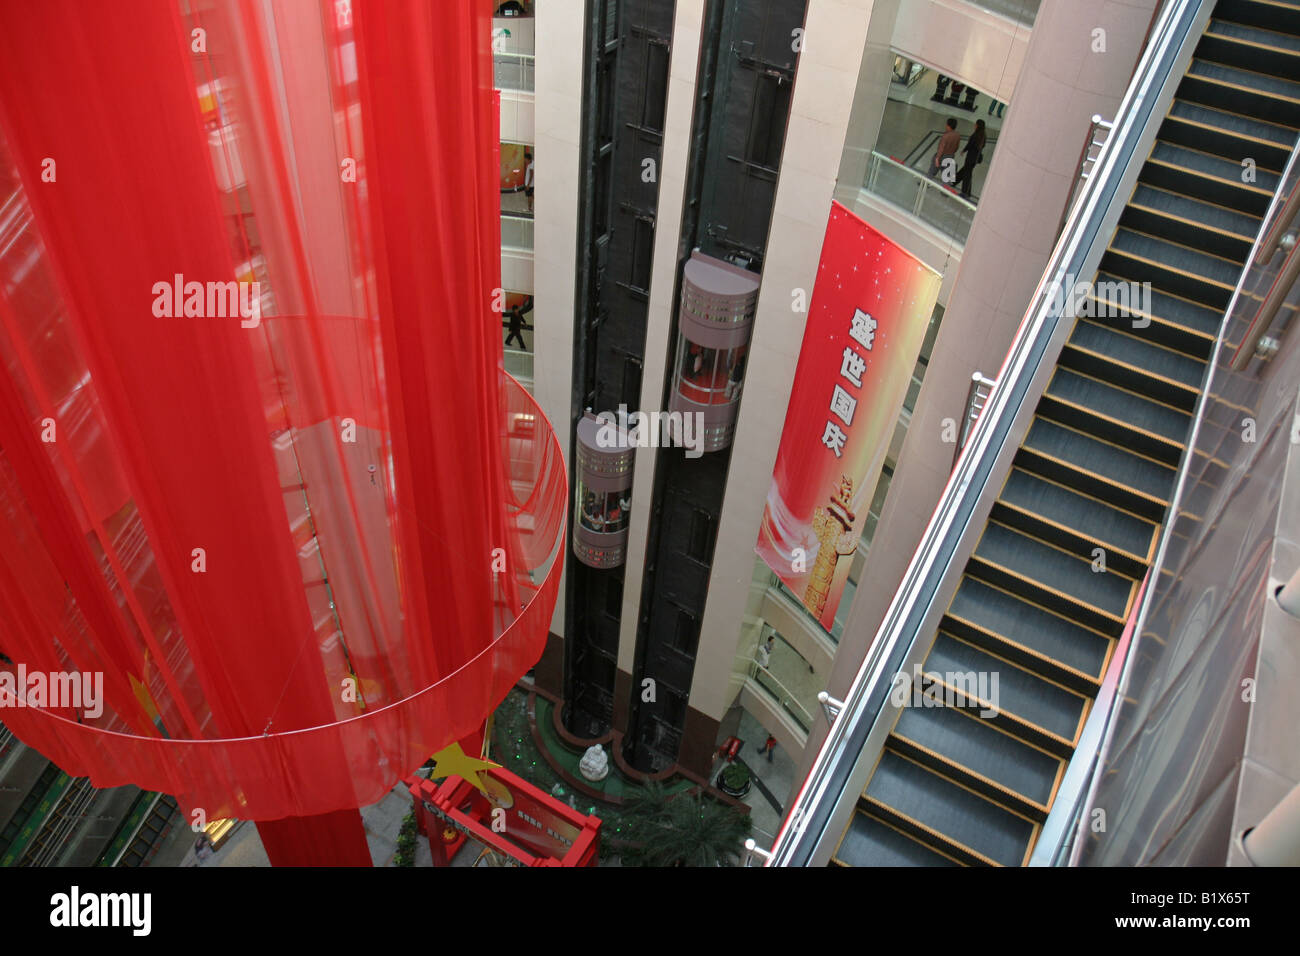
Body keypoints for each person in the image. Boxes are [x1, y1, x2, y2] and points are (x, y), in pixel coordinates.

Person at [957, 119, 986, 200]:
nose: (974, 125)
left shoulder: (975, 135)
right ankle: (955, 181)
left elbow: (970, 144)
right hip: (975, 159)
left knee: (967, 175)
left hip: (970, 158)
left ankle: (965, 193)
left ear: (977, 126)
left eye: (975, 124)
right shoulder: (983, 135)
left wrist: (964, 150)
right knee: (966, 171)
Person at [523, 149, 534, 214]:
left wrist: (528, 185)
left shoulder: (531, 165)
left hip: (530, 185)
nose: (525, 161)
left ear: (528, 159)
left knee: (529, 196)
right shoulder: (531, 164)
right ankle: (531, 208)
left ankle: (529, 209)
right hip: (531, 184)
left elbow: (531, 175)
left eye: (525, 159)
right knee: (531, 196)